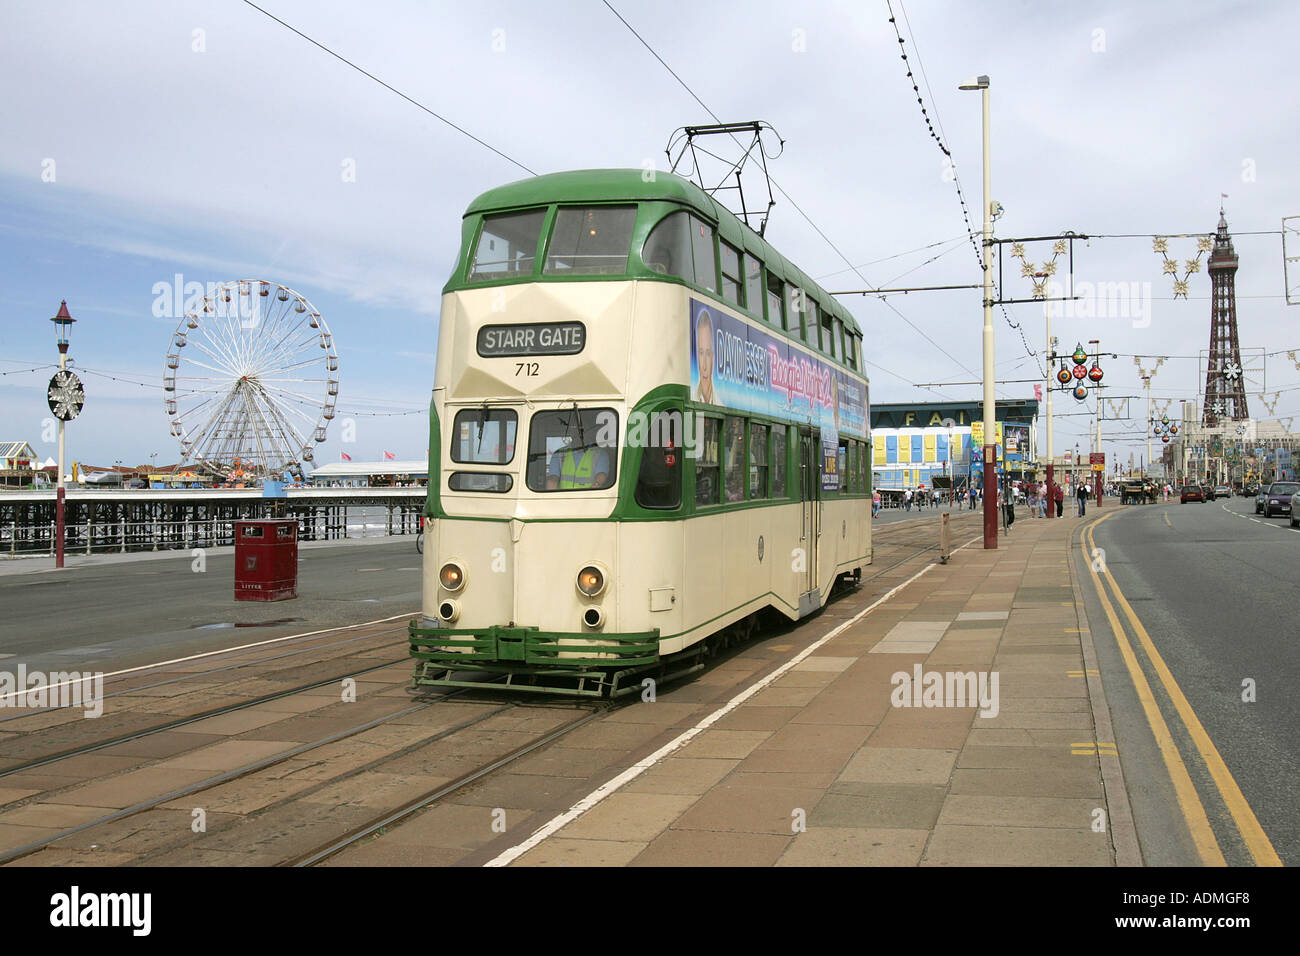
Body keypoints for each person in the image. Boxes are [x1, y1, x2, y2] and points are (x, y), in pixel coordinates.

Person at [695, 310, 716, 405]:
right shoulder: (692, 396)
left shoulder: (721, 403)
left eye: (707, 354)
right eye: (701, 352)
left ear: (713, 357)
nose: (704, 366)